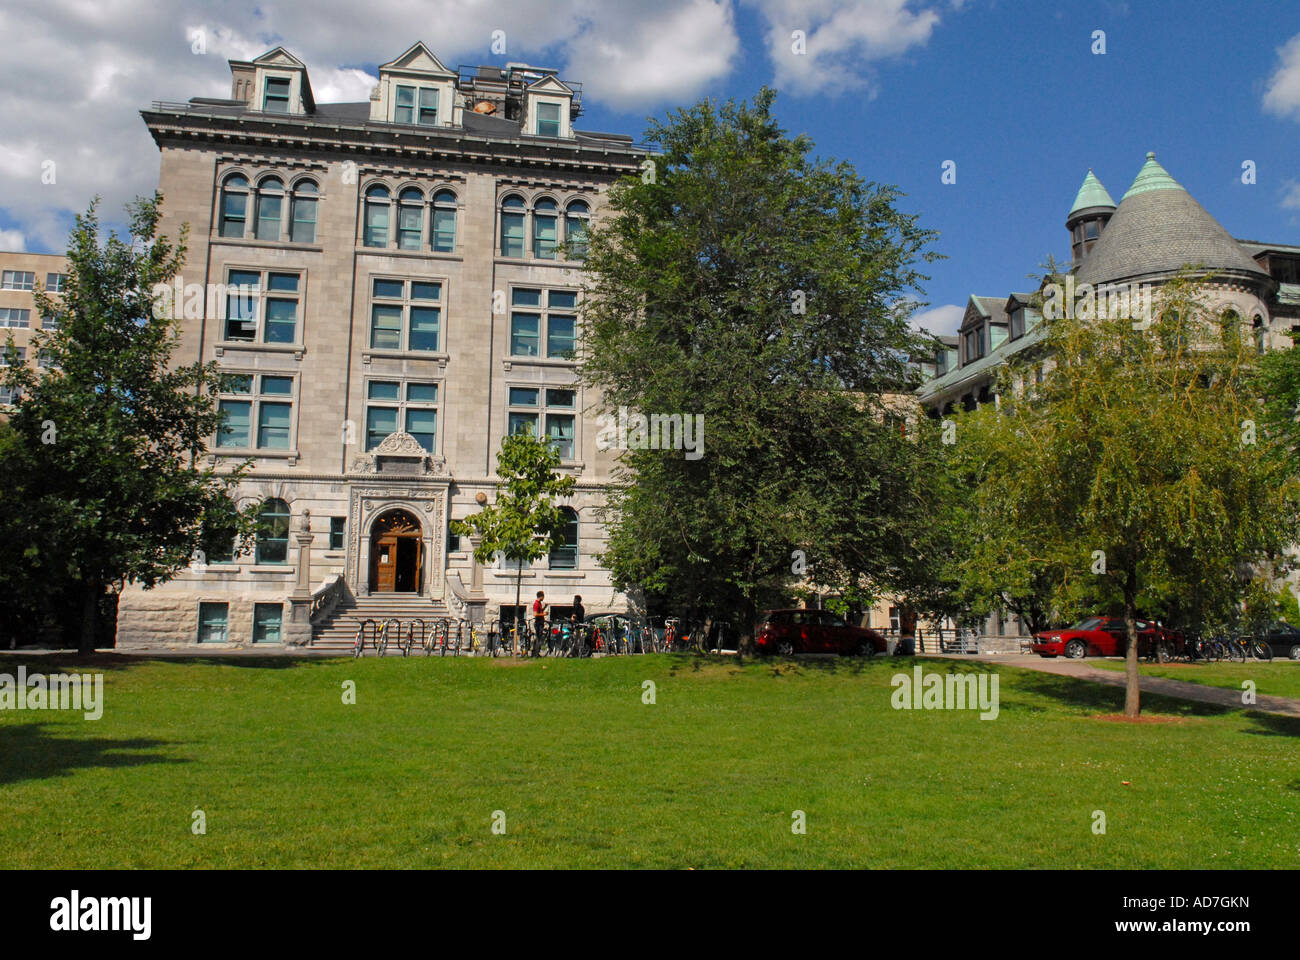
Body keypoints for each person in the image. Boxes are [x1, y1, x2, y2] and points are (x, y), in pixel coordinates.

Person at [531, 590, 547, 657]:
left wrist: (544, 607)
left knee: (539, 638)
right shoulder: (536, 604)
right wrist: (544, 614)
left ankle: (536, 652)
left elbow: (539, 611)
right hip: (538, 623)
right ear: (541, 596)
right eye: (543, 596)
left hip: (541, 622)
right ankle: (535, 653)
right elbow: (535, 614)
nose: (544, 598)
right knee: (538, 638)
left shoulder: (539, 603)